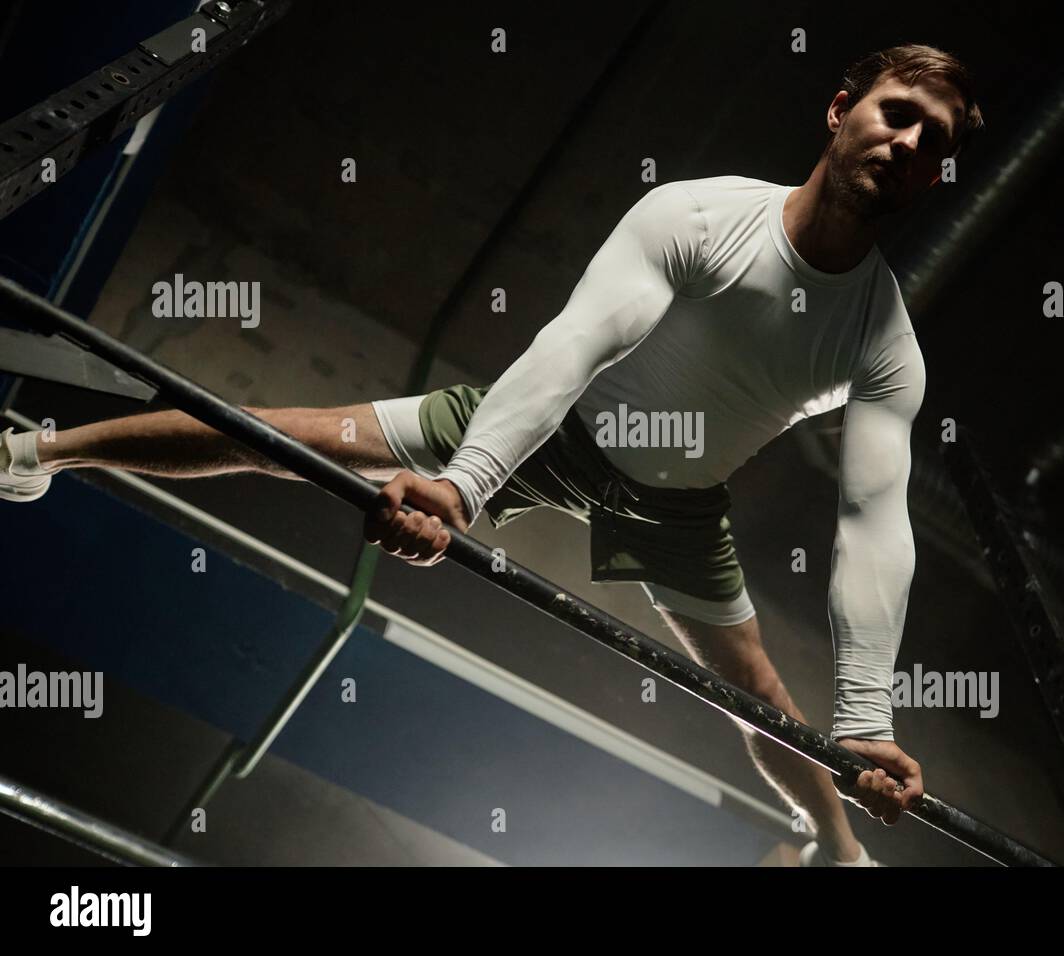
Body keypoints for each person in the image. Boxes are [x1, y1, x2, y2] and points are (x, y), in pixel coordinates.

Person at [1, 44, 982, 866]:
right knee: (287, 436)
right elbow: (576, 342)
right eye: (896, 114)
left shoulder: (884, 342)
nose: (905, 144)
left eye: (930, 143)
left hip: (672, 501)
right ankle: (41, 448)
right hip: (545, 426)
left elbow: (872, 522)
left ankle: (839, 852)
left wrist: (864, 718)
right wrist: (466, 482)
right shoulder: (696, 215)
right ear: (841, 108)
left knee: (765, 700)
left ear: (936, 175)